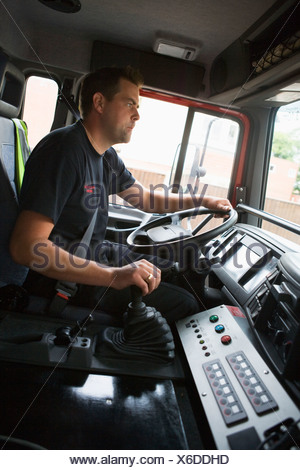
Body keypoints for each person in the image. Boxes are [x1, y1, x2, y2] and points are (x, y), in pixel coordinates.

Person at [10, 66, 232, 323]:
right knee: (186, 304)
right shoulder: (63, 152)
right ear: (99, 103)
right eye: (129, 104)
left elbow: (147, 199)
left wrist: (202, 201)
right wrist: (114, 276)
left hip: (93, 252)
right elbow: (25, 248)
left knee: (174, 271)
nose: (137, 115)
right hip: (62, 279)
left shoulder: (106, 155)